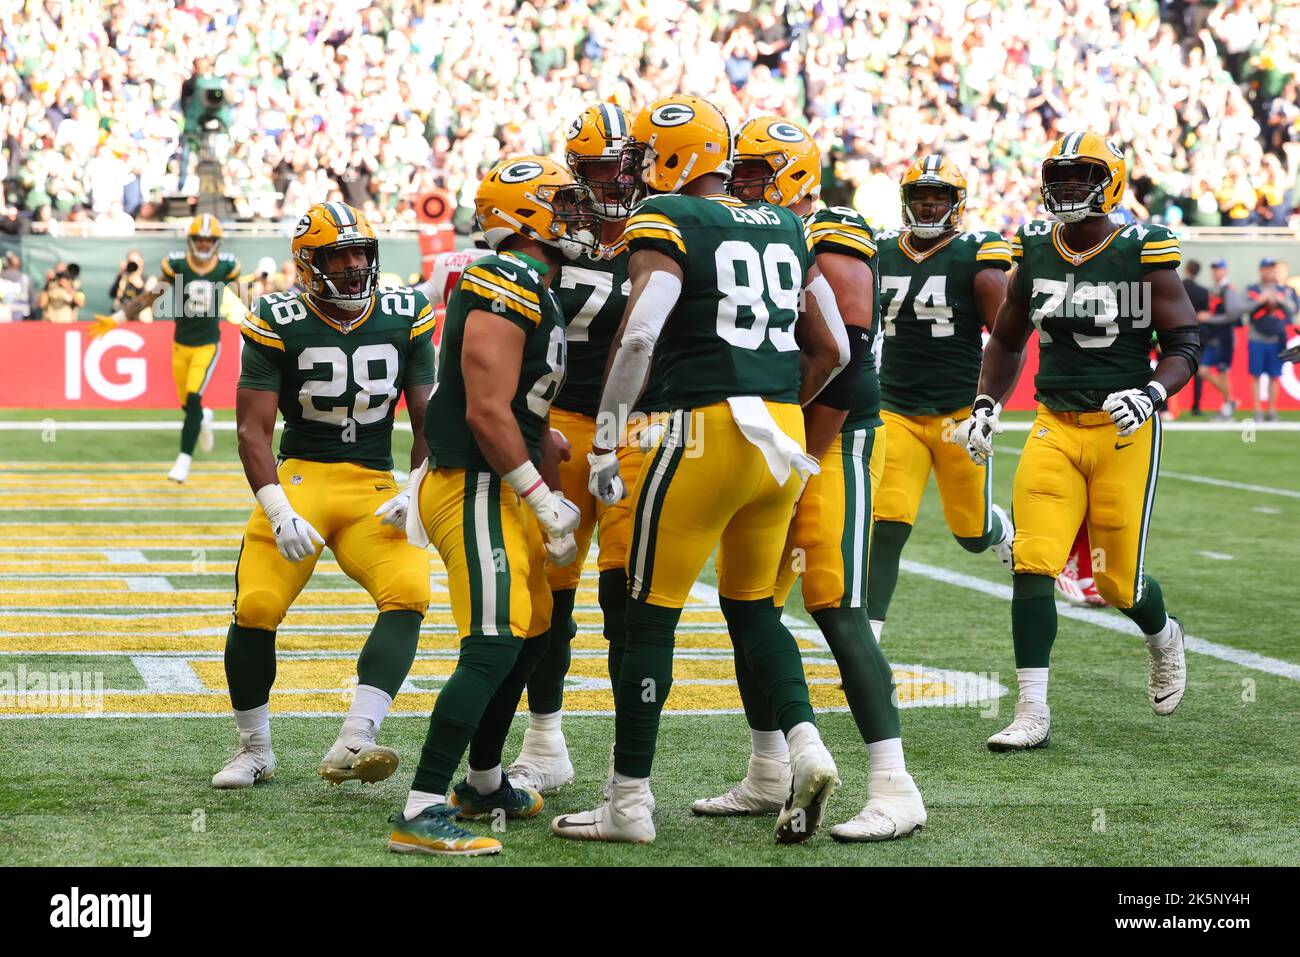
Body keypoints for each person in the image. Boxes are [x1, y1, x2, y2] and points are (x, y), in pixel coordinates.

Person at [550, 95, 850, 846]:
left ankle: (628, 804)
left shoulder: (669, 220)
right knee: (755, 610)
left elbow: (641, 333)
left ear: (674, 158)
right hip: (780, 435)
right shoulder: (786, 219)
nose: (640, 170)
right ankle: (805, 748)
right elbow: (835, 350)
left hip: (698, 431)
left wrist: (608, 435)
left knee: (650, 613)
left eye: (648, 155)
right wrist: (774, 401)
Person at [692, 115, 926, 842]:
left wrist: (807, 458)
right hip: (781, 441)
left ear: (795, 176)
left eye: (758, 174)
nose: (741, 187)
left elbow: (845, 362)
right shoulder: (755, 235)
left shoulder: (832, 236)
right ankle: (768, 770)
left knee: (836, 606)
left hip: (833, 442)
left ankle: (896, 783)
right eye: (737, 175)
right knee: (747, 603)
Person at [959, 131, 1199, 751]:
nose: (1067, 187)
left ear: (1111, 181)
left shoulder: (1143, 247)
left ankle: (1163, 634)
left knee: (1118, 584)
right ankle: (1032, 709)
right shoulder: (1035, 247)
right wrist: (986, 403)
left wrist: (1150, 392)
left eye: (1081, 175)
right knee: (1035, 562)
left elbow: (1184, 344)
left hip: (1124, 428)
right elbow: (1008, 339)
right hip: (1054, 424)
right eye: (1059, 176)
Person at [386, 156, 592, 857]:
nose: (575, 214)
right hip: (478, 481)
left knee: (533, 633)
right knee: (496, 640)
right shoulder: (507, 275)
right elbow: (483, 408)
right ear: (525, 214)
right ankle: (420, 806)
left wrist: (547, 443)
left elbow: (514, 405)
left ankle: (482, 780)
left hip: (501, 479)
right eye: (560, 204)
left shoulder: (536, 281)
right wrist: (545, 498)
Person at [212, 201, 436, 790]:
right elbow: (250, 431)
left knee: (410, 591)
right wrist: (277, 507)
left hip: (374, 483)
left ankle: (355, 738)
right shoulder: (276, 318)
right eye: (340, 255)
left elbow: (428, 416)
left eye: (362, 252)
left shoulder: (405, 311)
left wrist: (417, 487)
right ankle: (255, 749)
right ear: (310, 265)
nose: (355, 266)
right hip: (302, 479)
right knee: (256, 607)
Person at [506, 102, 669, 796]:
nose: (615, 181)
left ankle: (627, 763)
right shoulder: (552, 232)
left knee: (627, 600)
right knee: (550, 592)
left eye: (624, 165)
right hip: (562, 428)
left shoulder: (662, 230)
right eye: (601, 168)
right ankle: (545, 737)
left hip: (638, 430)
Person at [863, 155, 1016, 645]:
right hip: (896, 407)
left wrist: (988, 406)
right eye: (920, 197)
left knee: (970, 536)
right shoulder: (880, 248)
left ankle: (999, 530)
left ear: (957, 204)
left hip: (957, 412)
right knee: (887, 523)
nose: (929, 206)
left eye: (939, 198)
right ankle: (868, 637)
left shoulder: (977, 251)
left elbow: (1006, 335)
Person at [92, 215, 240, 482]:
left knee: (194, 397)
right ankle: (204, 417)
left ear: (216, 242)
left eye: (209, 239)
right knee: (188, 405)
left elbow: (246, 297)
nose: (205, 245)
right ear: (191, 240)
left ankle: (183, 461)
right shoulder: (177, 265)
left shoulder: (227, 268)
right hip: (180, 344)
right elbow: (152, 296)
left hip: (207, 345)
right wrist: (118, 319)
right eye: (200, 239)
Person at [1245, 257, 1297, 421]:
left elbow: (1293, 310)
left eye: (1272, 268)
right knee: (1256, 374)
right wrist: (1261, 300)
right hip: (1257, 336)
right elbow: (1243, 307)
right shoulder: (1253, 289)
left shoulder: (1286, 290)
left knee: (1275, 374)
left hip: (1276, 337)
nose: (1270, 271)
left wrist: (1280, 300)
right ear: (1261, 270)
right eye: (1267, 268)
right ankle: (1258, 410)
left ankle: (1272, 410)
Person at [1200, 259, 1248, 418]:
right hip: (1214, 335)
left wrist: (1209, 318)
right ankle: (1230, 400)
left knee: (1222, 371)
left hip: (1225, 335)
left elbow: (1231, 316)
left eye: (1218, 269)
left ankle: (1227, 406)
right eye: (1214, 269)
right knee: (1203, 370)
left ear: (1225, 271)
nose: (1215, 272)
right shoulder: (1216, 289)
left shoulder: (1229, 289)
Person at [1181, 260, 1211, 414]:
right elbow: (1204, 315)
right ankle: (1196, 406)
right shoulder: (1203, 291)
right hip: (1198, 334)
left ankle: (1165, 408)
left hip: (1178, 333)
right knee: (1198, 371)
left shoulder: (1178, 287)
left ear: (1186, 269)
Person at [109, 251, 149, 320]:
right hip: (122, 313)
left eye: (136, 261)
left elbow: (148, 300)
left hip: (139, 315)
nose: (134, 264)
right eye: (131, 261)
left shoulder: (147, 280)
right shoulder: (123, 277)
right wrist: (121, 274)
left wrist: (140, 286)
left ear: (141, 262)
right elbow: (112, 294)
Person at [0, 251, 32, 322]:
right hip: (19, 310)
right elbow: (30, 296)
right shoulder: (24, 277)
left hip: (8, 310)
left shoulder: (24, 278)